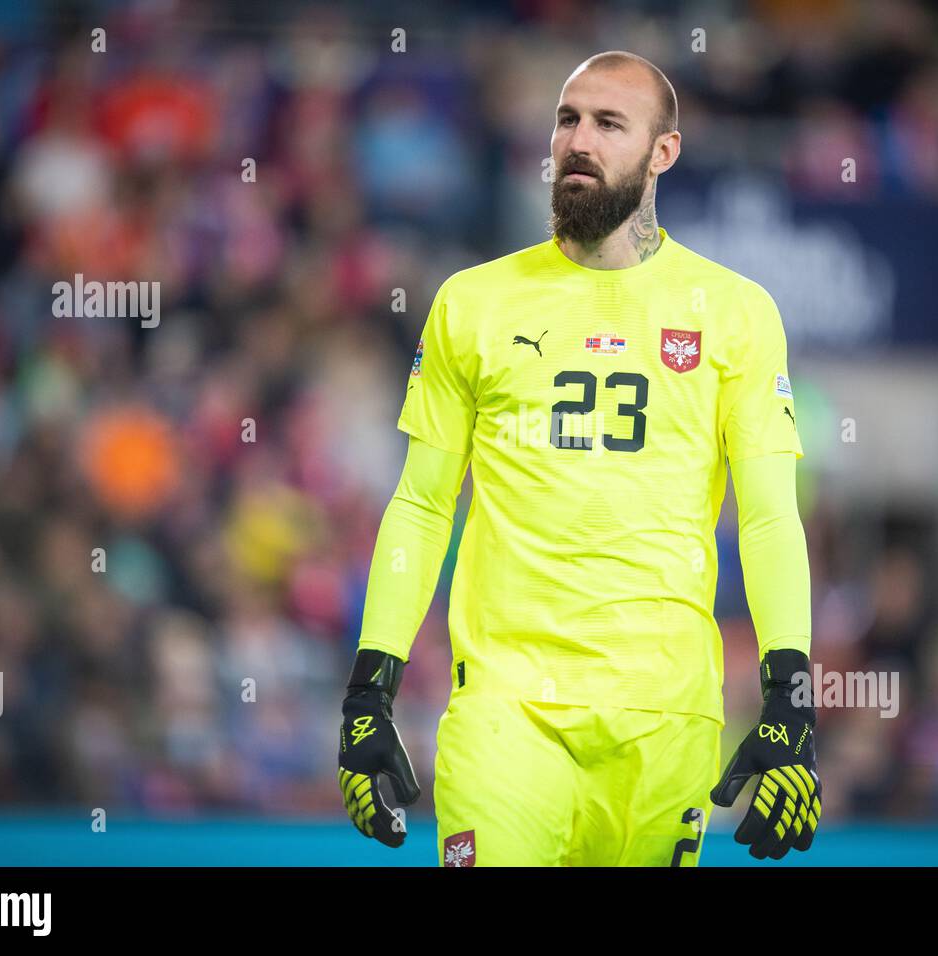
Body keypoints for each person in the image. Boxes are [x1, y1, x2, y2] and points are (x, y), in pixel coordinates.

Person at [338, 51, 819, 866]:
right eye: (567, 120)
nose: (578, 140)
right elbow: (422, 504)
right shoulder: (472, 302)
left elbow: (771, 517)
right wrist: (367, 689)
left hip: (668, 719)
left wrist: (792, 706)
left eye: (608, 123)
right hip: (505, 707)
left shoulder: (738, 313)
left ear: (663, 151)